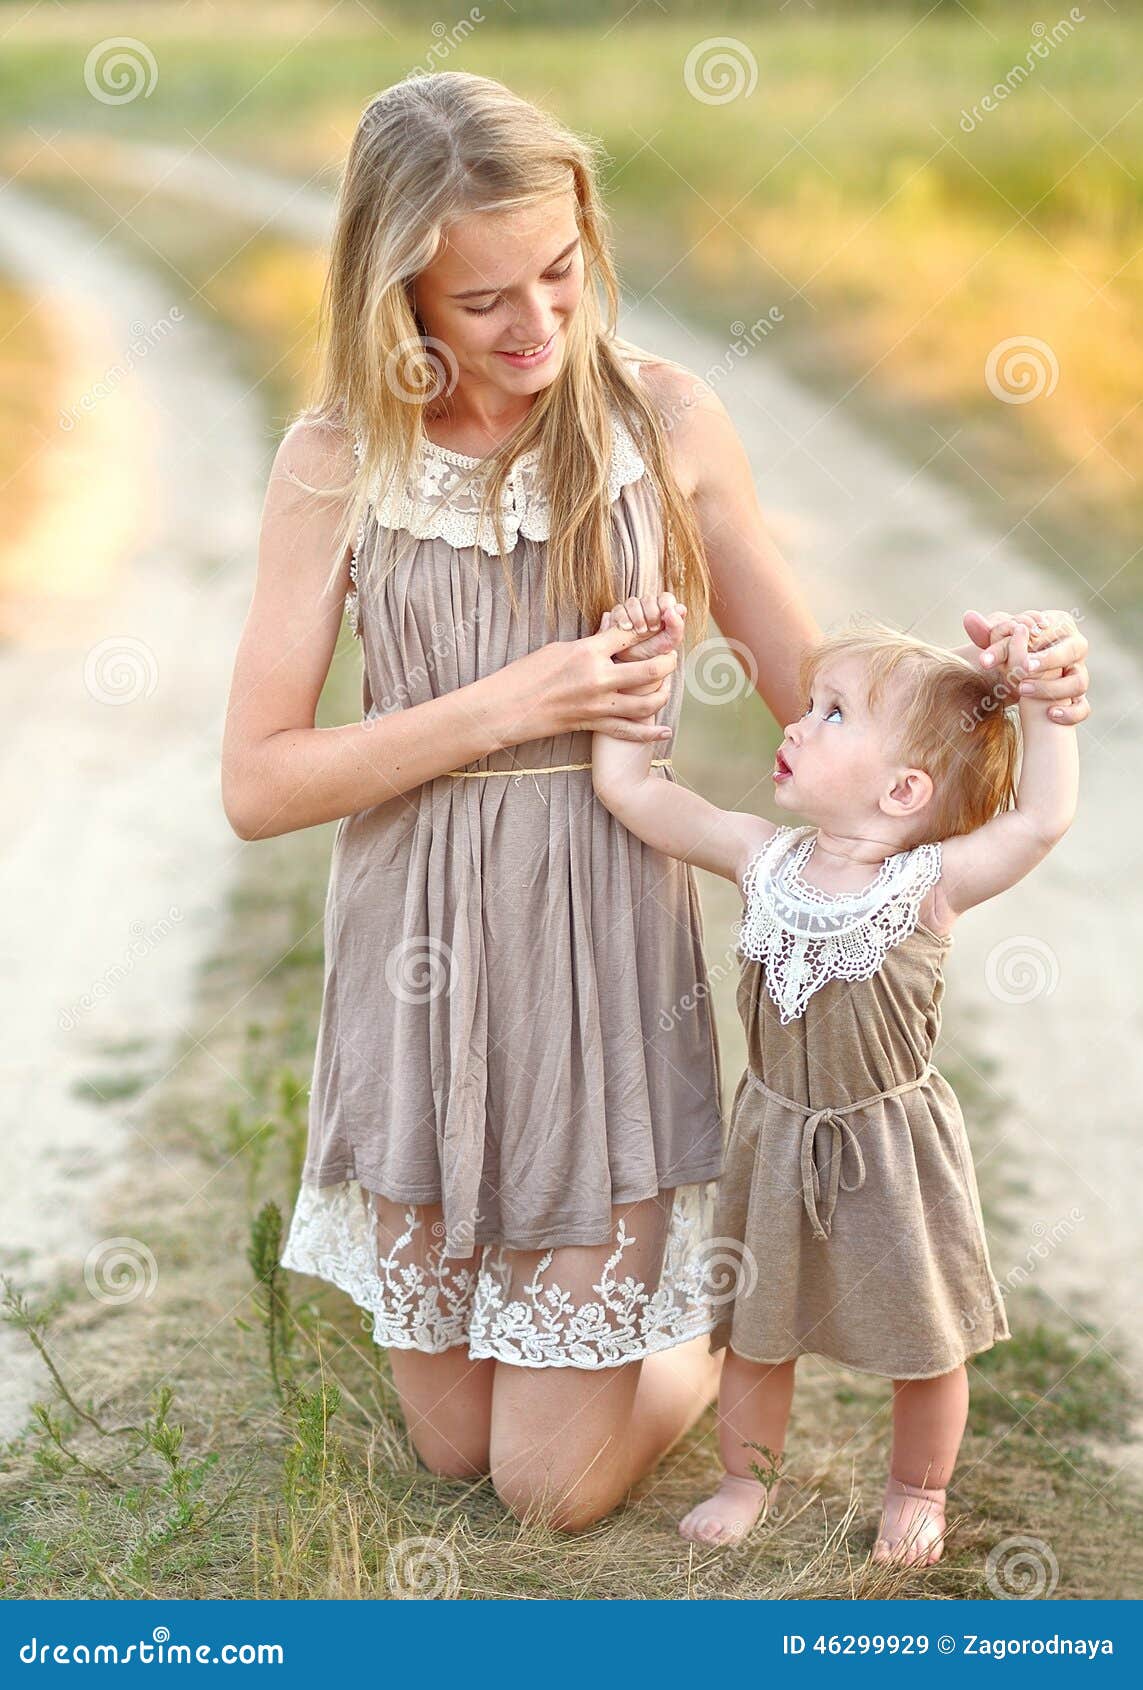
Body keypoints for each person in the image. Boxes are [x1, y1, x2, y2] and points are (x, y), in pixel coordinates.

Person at [221, 68, 1092, 1534]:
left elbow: (810, 686)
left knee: (540, 1489)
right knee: (446, 1455)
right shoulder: (332, 463)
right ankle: (626, 1325)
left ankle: (687, 1336)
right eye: (482, 296)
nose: (538, 325)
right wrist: (513, 701)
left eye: (559, 272)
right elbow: (257, 783)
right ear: (396, 296)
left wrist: (1006, 686)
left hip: (594, 966)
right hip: (414, 965)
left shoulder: (665, 424)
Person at [591, 599, 1078, 1562]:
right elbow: (636, 795)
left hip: (891, 1146)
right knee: (758, 1328)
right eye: (809, 705)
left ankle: (916, 1490)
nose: (795, 724)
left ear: (903, 791)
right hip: (775, 1137)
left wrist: (1036, 700)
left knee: (924, 1338)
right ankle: (745, 1477)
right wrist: (644, 672)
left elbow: (1042, 818)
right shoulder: (759, 859)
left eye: (831, 715)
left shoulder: (926, 884)